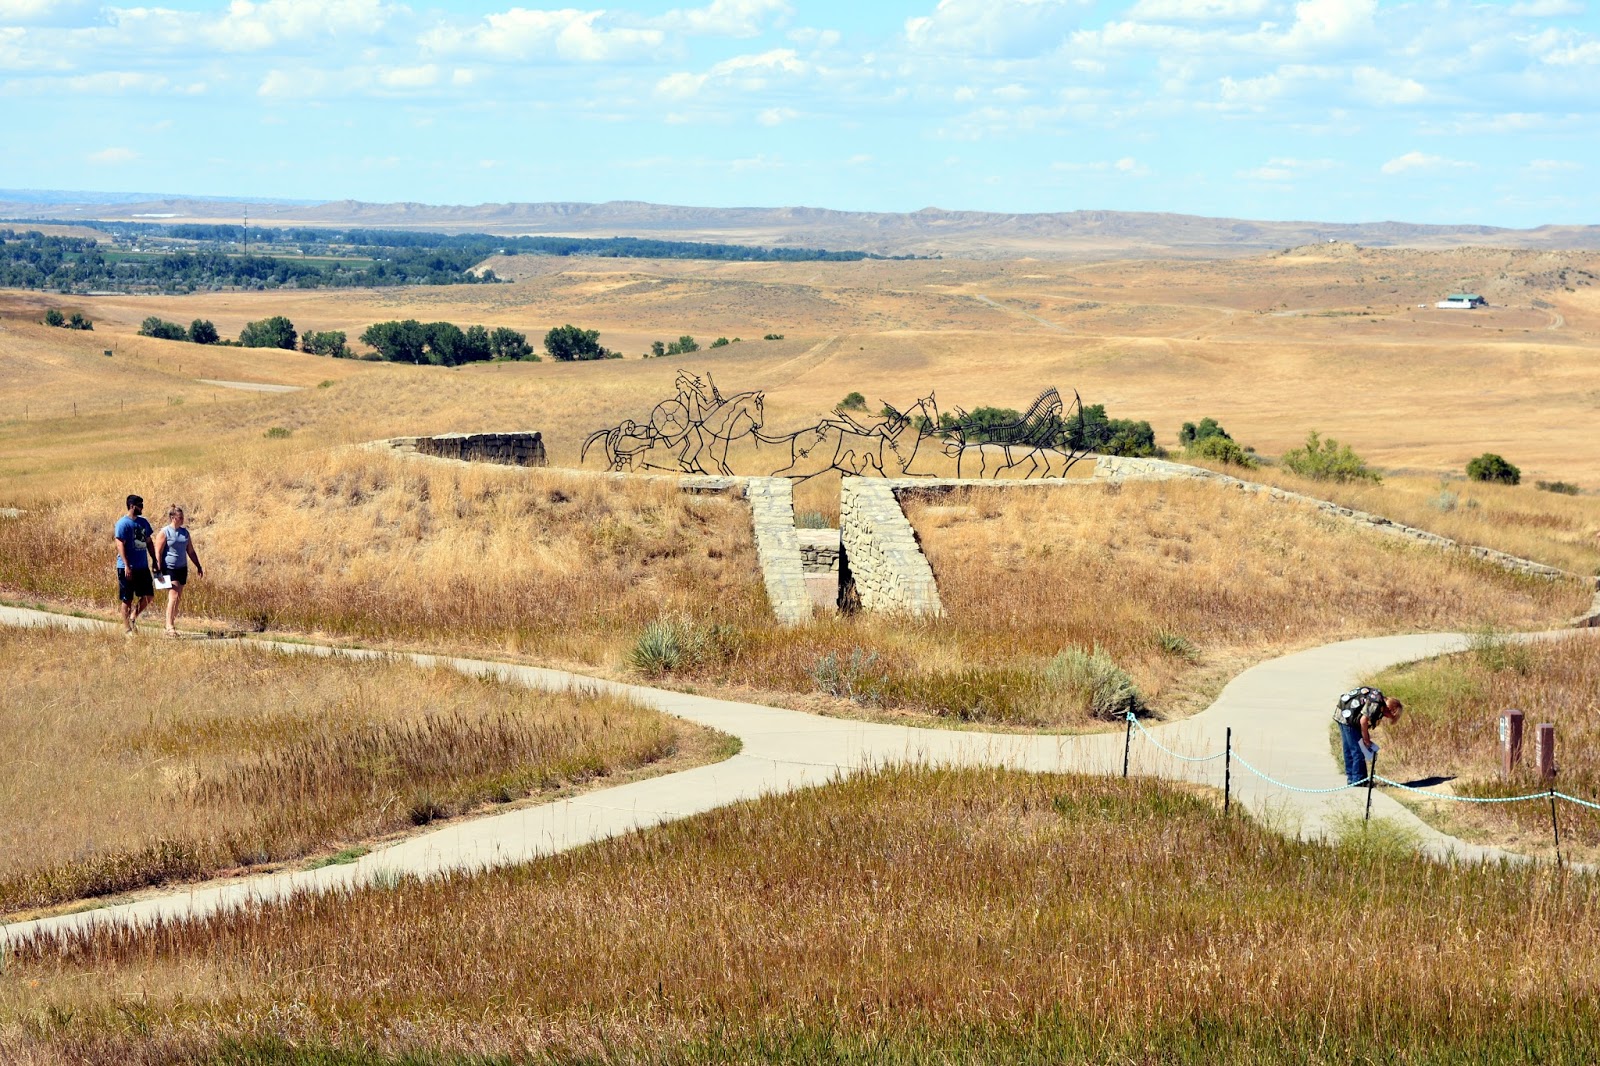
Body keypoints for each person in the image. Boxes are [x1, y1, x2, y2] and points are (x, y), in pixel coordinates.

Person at [151, 504, 203, 637]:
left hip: (182, 568)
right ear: (173, 518)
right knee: (173, 596)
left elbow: (190, 551)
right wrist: (158, 569)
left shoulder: (185, 533)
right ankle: (169, 627)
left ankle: (171, 623)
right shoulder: (165, 532)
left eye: (183, 517)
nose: (182, 519)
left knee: (178, 597)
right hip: (169, 568)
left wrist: (198, 565)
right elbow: (158, 551)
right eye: (180, 517)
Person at [1334, 686, 1403, 785]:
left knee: (1349, 749)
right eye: (1391, 716)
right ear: (1391, 710)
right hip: (1348, 719)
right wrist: (1366, 739)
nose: (1387, 717)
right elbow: (1363, 721)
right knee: (1358, 750)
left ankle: (1351, 778)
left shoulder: (1377, 698)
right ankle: (1359, 780)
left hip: (1341, 713)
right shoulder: (1377, 704)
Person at [113, 494, 155, 634]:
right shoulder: (123, 524)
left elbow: (148, 542)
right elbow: (120, 545)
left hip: (142, 566)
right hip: (127, 568)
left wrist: (155, 560)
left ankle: (133, 616)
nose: (142, 507)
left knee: (148, 595)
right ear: (132, 506)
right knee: (127, 599)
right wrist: (126, 565)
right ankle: (127, 629)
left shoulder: (143, 523)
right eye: (140, 505)